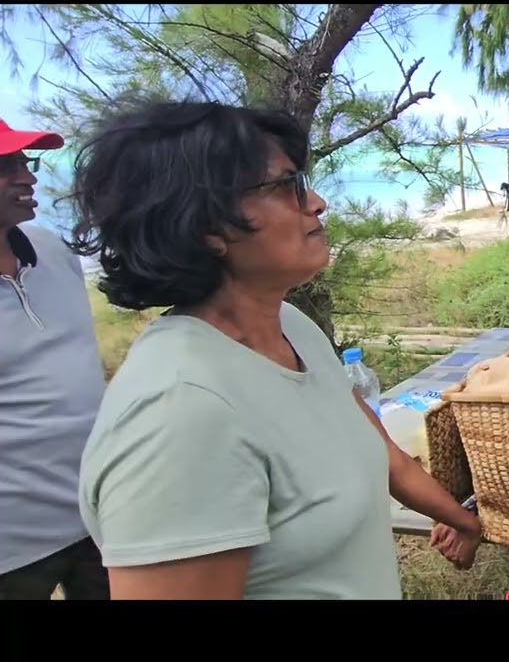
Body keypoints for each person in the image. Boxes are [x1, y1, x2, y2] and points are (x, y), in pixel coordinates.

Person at [69, 99, 482, 600]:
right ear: (207, 226)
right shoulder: (180, 412)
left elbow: (378, 450)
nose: (317, 203)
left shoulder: (289, 326)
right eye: (288, 186)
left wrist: (461, 519)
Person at [0, 119, 112, 600]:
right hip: (13, 544)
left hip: (101, 517)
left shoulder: (50, 247)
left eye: (26, 162)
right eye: (6, 167)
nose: (27, 177)